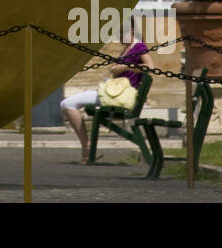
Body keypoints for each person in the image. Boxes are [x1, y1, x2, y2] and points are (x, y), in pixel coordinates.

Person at [60, 21, 153, 160]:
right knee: (68, 104)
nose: (120, 37)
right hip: (113, 93)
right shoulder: (127, 48)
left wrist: (125, 67)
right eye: (118, 34)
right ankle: (87, 147)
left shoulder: (139, 46)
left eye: (122, 33)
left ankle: (87, 147)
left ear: (132, 30)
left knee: (67, 104)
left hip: (118, 96)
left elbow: (150, 67)